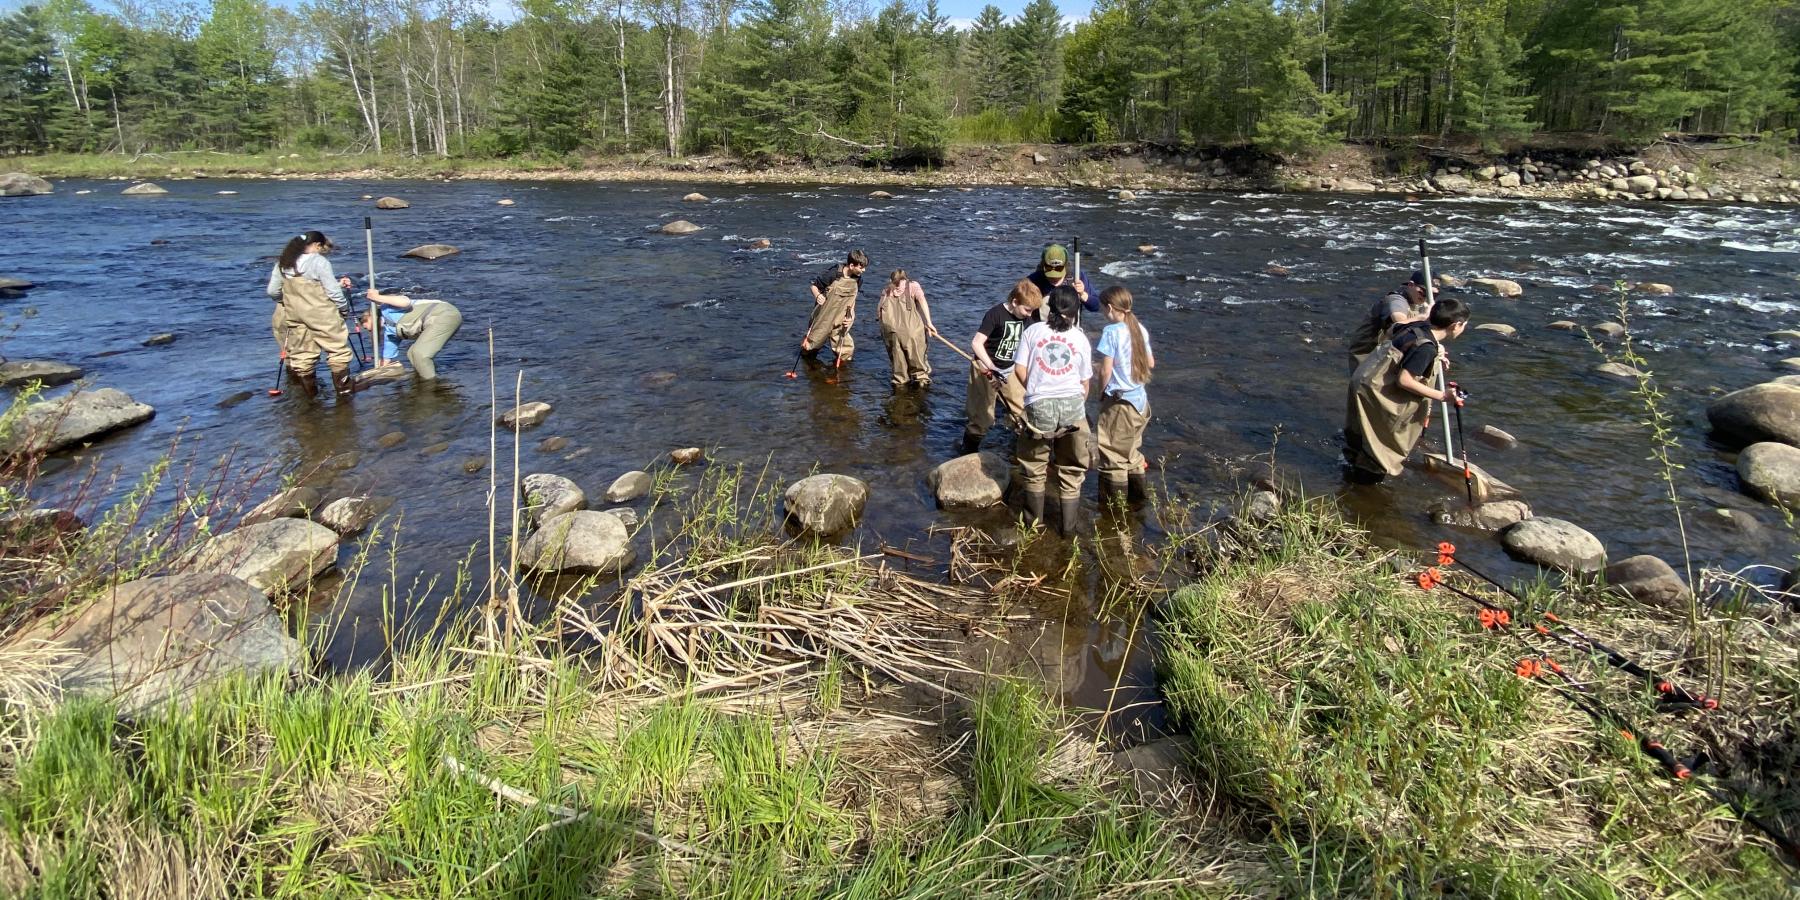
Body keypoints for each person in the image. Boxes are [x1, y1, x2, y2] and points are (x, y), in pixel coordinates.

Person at [1344, 296, 1472, 481]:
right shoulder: (1426, 349)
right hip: (1377, 395)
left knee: (1360, 440)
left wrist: (1438, 355)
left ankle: (1350, 478)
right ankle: (1362, 487)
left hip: (1363, 384)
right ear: (1455, 325)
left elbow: (1393, 330)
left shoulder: (1415, 328)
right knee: (1379, 452)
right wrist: (1443, 395)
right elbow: (1404, 381)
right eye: (1464, 325)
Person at [1012, 285, 1094, 535]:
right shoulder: (1080, 337)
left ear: (1048, 306)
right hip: (1072, 406)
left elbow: (1019, 369)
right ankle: (1068, 530)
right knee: (1072, 468)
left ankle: (1032, 525)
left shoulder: (1033, 331)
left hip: (1040, 406)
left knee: (1034, 465)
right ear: (1075, 311)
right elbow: (1085, 382)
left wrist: (1035, 389)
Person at [266, 230, 355, 398]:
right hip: (321, 313)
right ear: (316, 245)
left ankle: (311, 398)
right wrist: (344, 308)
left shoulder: (284, 262)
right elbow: (333, 292)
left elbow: (272, 291)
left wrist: (286, 301)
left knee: (303, 355)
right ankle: (344, 395)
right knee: (337, 351)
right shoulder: (318, 262)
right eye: (321, 247)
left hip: (295, 315)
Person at [962, 279, 1044, 454]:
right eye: (1027, 310)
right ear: (1015, 302)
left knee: (1021, 410)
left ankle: (1018, 452)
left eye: (1032, 311)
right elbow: (976, 344)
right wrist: (991, 367)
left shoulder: (1027, 318)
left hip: (1011, 369)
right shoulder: (995, 314)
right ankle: (967, 453)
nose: (1029, 315)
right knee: (982, 416)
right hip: (985, 367)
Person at [1094, 286, 1155, 506]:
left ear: (1110, 308)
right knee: (1132, 452)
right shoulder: (1139, 328)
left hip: (1120, 403)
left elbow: (1105, 371)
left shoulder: (1111, 332)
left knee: (1113, 454)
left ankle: (1114, 510)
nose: (1102, 312)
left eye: (1102, 308)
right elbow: (1150, 363)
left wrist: (1100, 393)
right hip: (1140, 400)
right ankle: (1139, 503)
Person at [363, 288, 464, 380]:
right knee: (411, 353)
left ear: (369, 316)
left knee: (419, 353)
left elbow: (405, 302)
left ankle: (431, 387)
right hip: (436, 321)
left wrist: (377, 297)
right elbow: (386, 361)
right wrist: (376, 373)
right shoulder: (390, 334)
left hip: (444, 314)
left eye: (365, 325)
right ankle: (422, 380)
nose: (367, 329)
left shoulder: (387, 309)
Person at [1346, 271, 1432, 370]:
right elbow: (1400, 322)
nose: (1424, 297)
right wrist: (1423, 316)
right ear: (1411, 285)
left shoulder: (1420, 303)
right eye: (1422, 292)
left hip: (1389, 352)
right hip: (1368, 354)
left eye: (1429, 294)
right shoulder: (1396, 300)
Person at [801, 250, 868, 365]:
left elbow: (853, 299)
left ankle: (839, 374)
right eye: (861, 268)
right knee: (812, 346)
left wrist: (851, 315)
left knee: (845, 349)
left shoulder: (858, 279)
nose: (864, 270)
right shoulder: (833, 274)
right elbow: (814, 286)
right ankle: (809, 369)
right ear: (851, 265)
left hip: (842, 315)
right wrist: (818, 296)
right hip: (824, 315)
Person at [876, 269, 937, 389]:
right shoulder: (913, 286)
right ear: (905, 278)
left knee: (898, 362)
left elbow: (879, 312)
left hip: (891, 332)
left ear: (891, 280)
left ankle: (900, 382)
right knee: (917, 358)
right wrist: (928, 323)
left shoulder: (887, 290)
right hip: (912, 330)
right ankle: (921, 380)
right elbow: (922, 302)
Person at [1023, 244, 1097, 313]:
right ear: (1043, 266)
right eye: (1050, 274)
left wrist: (1082, 294)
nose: (1054, 278)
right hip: (1042, 324)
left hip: (1070, 325)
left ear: (1065, 266)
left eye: (1058, 273)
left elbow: (1096, 306)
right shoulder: (1034, 280)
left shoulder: (1077, 277)